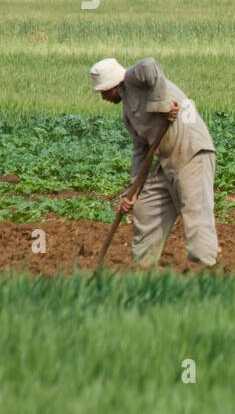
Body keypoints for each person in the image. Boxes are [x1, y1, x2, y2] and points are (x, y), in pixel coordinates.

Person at [90, 57, 218, 266]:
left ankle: (203, 270)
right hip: (165, 161)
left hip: (190, 154)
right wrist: (132, 192)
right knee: (145, 208)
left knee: (195, 215)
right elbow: (141, 151)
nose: (103, 97)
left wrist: (162, 105)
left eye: (103, 91)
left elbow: (150, 65)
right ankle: (143, 269)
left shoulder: (134, 78)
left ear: (113, 85)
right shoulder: (128, 114)